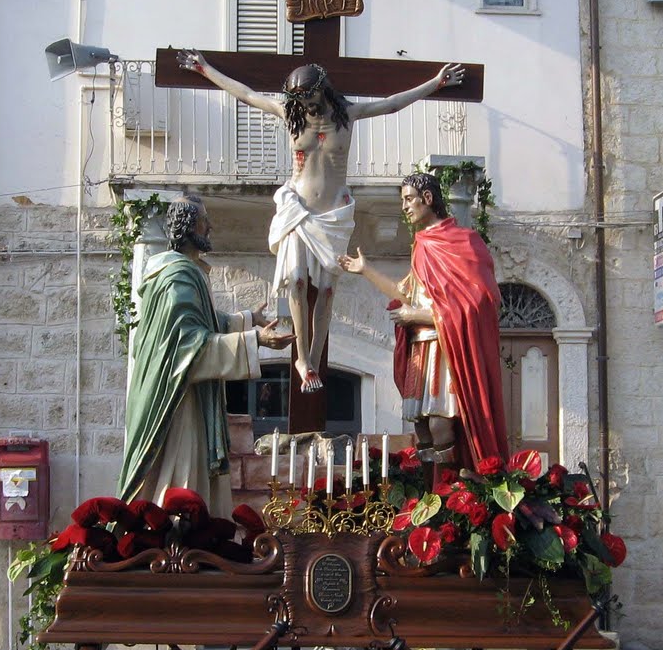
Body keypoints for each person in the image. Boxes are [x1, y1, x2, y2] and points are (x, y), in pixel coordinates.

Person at [178, 50, 465, 394]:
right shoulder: (291, 114)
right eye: (299, 99)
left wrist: (435, 84)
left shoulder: (348, 117)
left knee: (327, 290)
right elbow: (247, 94)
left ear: (323, 89)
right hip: (297, 208)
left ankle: (314, 357)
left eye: (310, 97)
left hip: (333, 215)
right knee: (297, 280)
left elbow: (392, 104)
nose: (306, 105)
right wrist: (205, 69)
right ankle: (302, 359)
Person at [119, 192, 293, 516]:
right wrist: (254, 340)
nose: (210, 226)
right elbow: (187, 348)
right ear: (188, 225)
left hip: (187, 396)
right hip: (175, 404)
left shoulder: (187, 272)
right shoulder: (176, 277)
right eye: (204, 220)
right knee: (182, 475)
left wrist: (244, 320)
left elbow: (199, 327)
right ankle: (176, 545)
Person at [338, 171, 508, 474]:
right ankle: (432, 498)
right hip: (422, 349)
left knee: (440, 423)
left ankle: (455, 496)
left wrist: (420, 316)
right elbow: (407, 294)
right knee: (422, 428)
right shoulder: (422, 246)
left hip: (449, 348)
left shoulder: (465, 242)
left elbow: (480, 304)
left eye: (408, 199)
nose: (404, 207)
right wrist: (365, 270)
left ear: (427, 198)